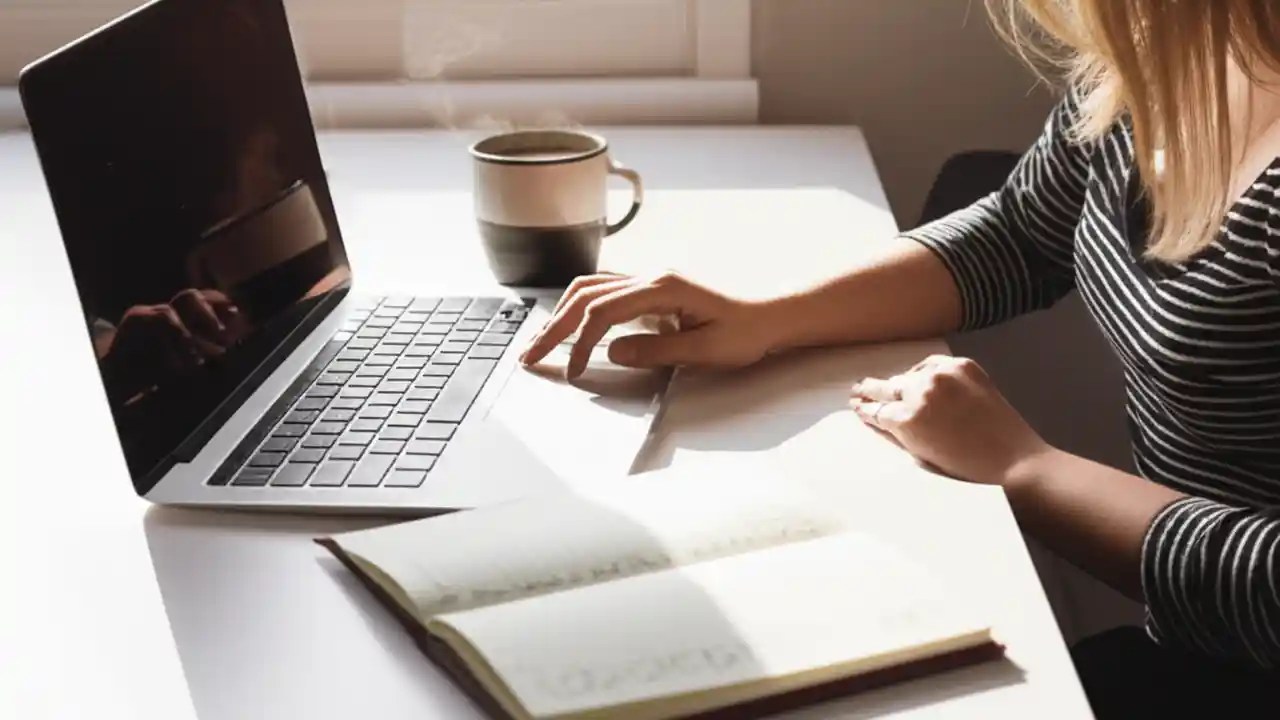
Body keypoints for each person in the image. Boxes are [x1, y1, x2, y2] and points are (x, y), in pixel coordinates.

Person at [521, 0, 1280, 715]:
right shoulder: (1171, 46)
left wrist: (1024, 467)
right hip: (1193, 644)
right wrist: (766, 317)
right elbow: (1024, 232)